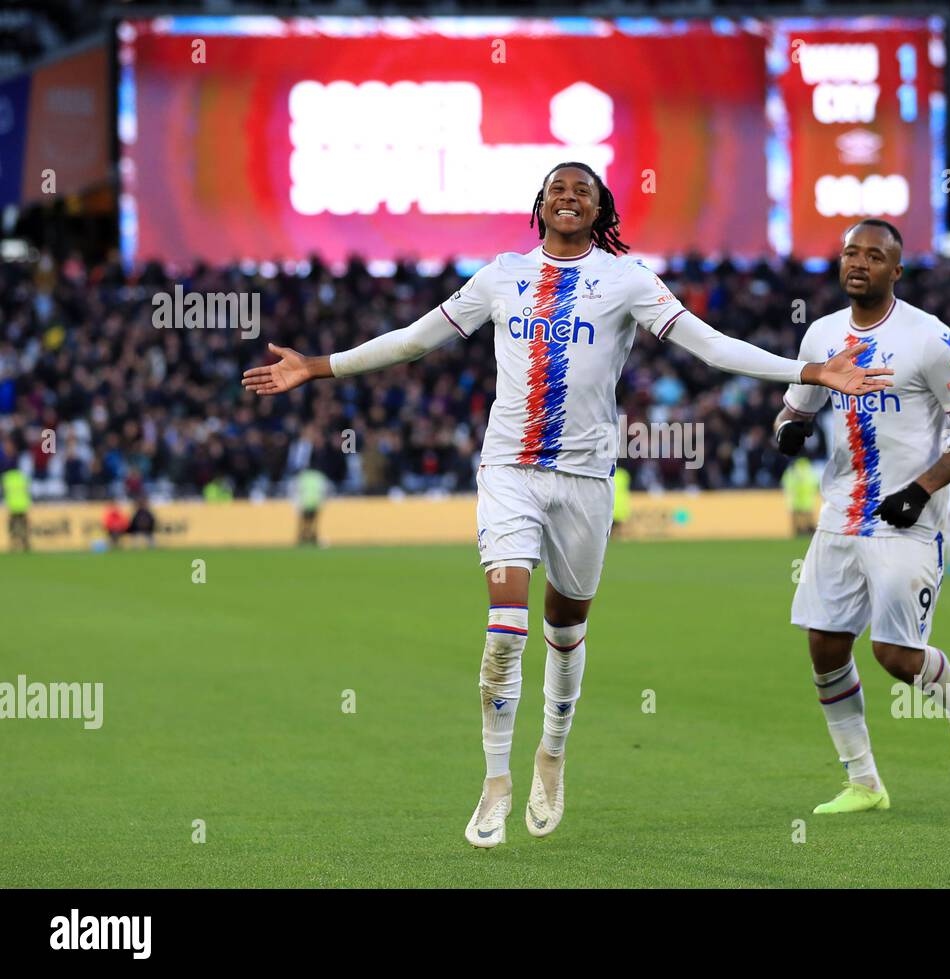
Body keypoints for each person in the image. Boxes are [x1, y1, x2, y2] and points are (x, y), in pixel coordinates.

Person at [243, 161, 893, 848]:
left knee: (566, 626)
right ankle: (495, 780)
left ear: (600, 207)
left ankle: (551, 752)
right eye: (557, 187)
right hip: (509, 470)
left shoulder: (627, 279)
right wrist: (318, 365)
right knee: (503, 629)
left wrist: (810, 369)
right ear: (540, 203)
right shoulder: (500, 275)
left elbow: (708, 345)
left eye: (582, 189)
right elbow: (414, 340)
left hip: (585, 480)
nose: (568, 196)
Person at [773, 219, 950, 814]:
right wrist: (789, 431)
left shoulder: (929, 337)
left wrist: (922, 490)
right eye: (851, 252)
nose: (859, 262)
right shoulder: (821, 335)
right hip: (841, 513)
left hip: (906, 519)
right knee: (825, 647)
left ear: (896, 271)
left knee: (894, 656)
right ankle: (864, 783)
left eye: (875, 256)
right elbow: (792, 409)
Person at [781, 456, 819, 536]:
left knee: (796, 514)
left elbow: (786, 482)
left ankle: (799, 529)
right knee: (807, 513)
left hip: (796, 496)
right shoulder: (809, 469)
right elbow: (815, 482)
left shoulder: (792, 470)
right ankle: (808, 528)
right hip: (806, 496)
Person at [2, 460, 32, 553]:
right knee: (24, 525)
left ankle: (14, 544)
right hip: (23, 505)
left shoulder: (6, 477)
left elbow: (4, 491)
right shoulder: (23, 477)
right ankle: (25, 543)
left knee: (13, 526)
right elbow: (28, 490)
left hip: (12, 506)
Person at [294, 468, 329, 546]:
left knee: (304, 523)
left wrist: (297, 504)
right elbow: (324, 489)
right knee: (313, 523)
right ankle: (311, 537)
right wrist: (322, 502)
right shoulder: (319, 476)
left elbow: (297, 490)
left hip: (305, 503)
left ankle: (303, 538)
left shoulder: (303, 477)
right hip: (314, 503)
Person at [610, 465, 631, 538]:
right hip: (620, 505)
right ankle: (618, 538)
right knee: (618, 527)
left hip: (611, 504)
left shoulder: (608, 473)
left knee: (610, 526)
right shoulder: (624, 474)